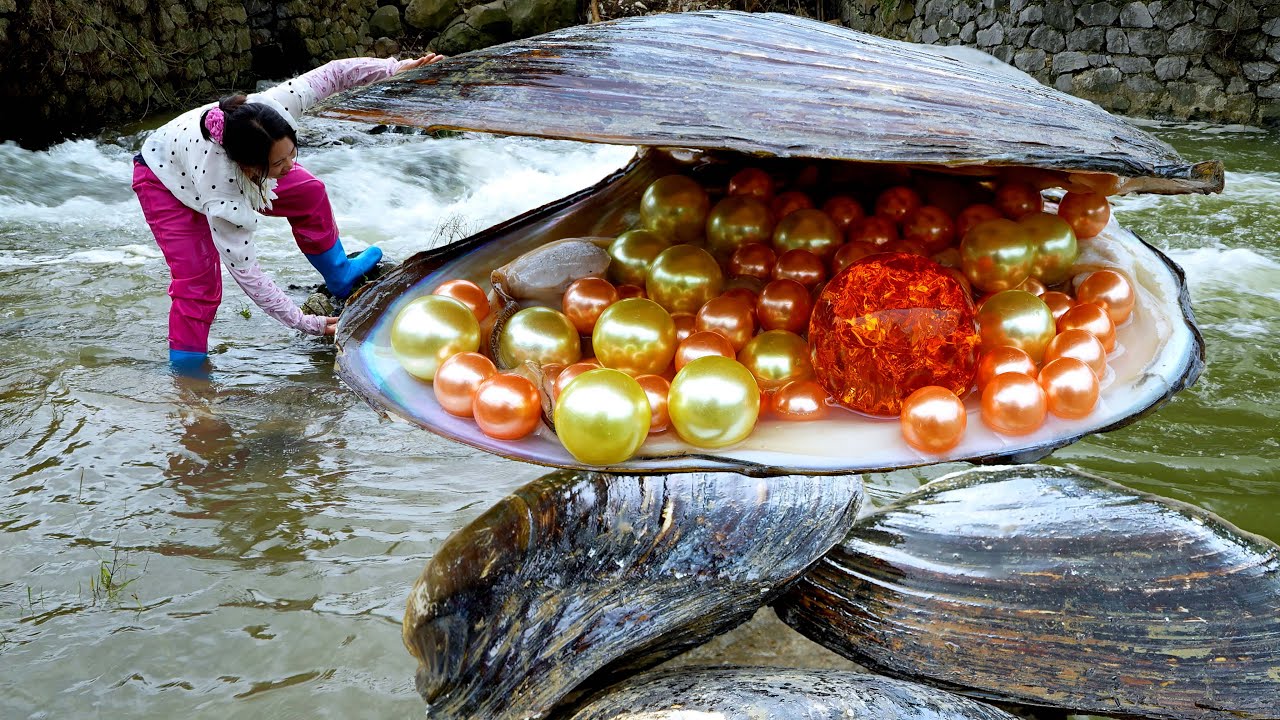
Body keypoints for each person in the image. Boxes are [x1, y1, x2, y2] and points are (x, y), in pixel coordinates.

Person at [132, 53, 445, 371]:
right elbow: (247, 273)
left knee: (308, 191)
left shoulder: (272, 108)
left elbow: (336, 73)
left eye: (291, 153)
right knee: (199, 283)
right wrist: (306, 322)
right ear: (250, 169)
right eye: (279, 163)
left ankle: (340, 274)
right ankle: (188, 371)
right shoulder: (224, 193)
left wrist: (395, 69)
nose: (290, 165)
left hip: (213, 156)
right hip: (162, 179)